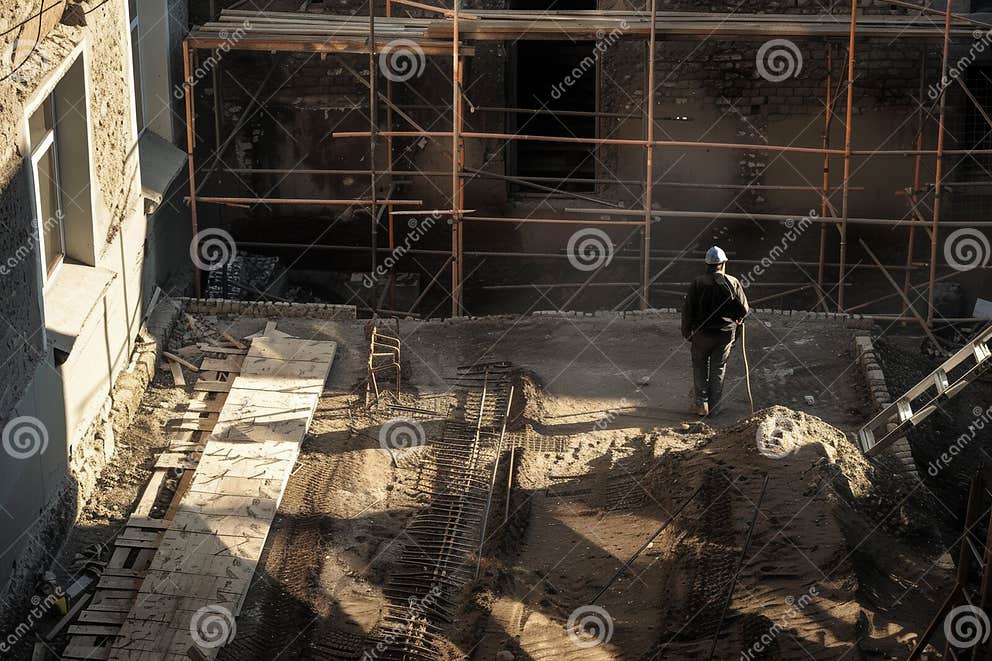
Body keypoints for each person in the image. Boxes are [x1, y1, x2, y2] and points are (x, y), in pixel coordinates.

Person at [681, 246, 749, 417]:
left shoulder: (697, 283)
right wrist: (737, 319)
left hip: (701, 334)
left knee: (700, 367)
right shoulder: (732, 282)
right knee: (718, 368)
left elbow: (688, 310)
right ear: (723, 264)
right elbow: (744, 310)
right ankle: (715, 407)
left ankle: (701, 403)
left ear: (706, 264)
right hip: (724, 335)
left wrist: (686, 331)